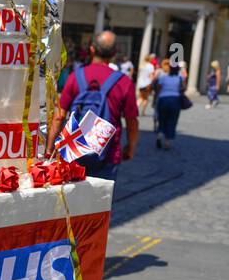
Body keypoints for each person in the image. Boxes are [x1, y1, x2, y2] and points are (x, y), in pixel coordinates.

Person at [47, 30, 139, 183]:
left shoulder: (75, 77)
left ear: (92, 49)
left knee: (70, 203)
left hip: (73, 151)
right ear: (115, 52)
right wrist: (130, 147)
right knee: (99, 205)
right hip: (107, 154)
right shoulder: (124, 82)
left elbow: (59, 116)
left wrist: (50, 147)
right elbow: (132, 121)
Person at [150, 56, 187, 149]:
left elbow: (158, 89)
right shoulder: (179, 78)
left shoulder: (163, 77)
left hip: (163, 99)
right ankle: (167, 142)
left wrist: (156, 100)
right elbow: (183, 88)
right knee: (172, 120)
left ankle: (159, 135)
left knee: (161, 119)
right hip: (175, 100)